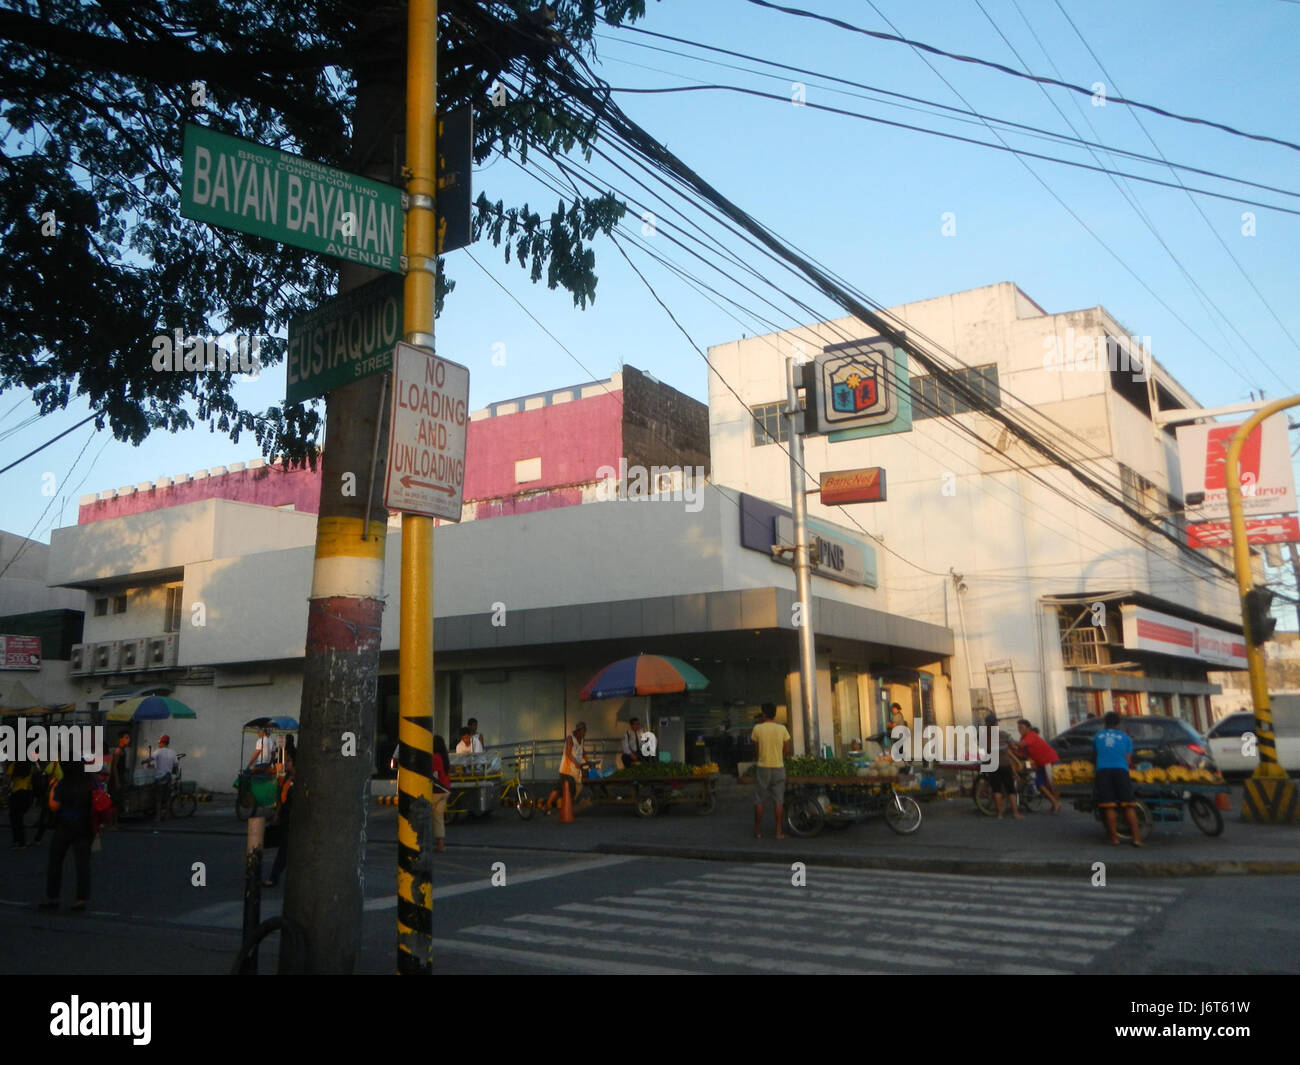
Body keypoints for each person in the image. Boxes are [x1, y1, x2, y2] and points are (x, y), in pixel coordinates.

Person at [41, 760, 95, 911]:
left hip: (65, 824)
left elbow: (54, 806)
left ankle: (53, 897)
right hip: (85, 825)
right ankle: (81, 899)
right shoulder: (89, 782)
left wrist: (52, 788)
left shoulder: (63, 784)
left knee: (55, 861)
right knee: (82, 864)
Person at [1094, 711, 1144, 847]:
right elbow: (1128, 760)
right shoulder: (1126, 738)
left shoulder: (1098, 736)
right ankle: (1137, 839)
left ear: (1105, 723)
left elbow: (1096, 753)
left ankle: (1114, 839)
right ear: (1118, 724)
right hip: (1121, 771)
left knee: (1109, 806)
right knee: (1128, 805)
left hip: (1103, 771)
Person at [751, 702, 791, 840]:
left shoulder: (757, 729)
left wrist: (760, 759)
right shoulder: (782, 729)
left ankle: (757, 832)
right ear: (774, 714)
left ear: (763, 714)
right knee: (778, 801)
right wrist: (780, 758)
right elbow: (787, 749)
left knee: (759, 801)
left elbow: (756, 751)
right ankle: (778, 832)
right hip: (779, 768)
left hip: (763, 768)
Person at [262, 747, 295, 887]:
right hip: (284, 817)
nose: (285, 763)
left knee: (285, 849)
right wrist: (276, 814)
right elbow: (281, 798)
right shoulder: (286, 777)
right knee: (286, 848)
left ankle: (274, 876)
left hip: (292, 819)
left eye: (288, 761)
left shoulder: (300, 779)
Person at [1014, 719, 1061, 814]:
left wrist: (1008, 741)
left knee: (1053, 785)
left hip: (1049, 760)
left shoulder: (1031, 735)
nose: (1019, 730)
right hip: (1040, 763)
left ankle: (1055, 804)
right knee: (1039, 784)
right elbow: (1021, 754)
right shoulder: (1023, 738)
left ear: (1028, 728)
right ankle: (1055, 803)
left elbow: (1021, 745)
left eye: (1021, 727)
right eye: (1018, 728)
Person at [983, 713, 1022, 820]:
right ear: (995, 724)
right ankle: (1015, 813)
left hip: (991, 764)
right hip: (1005, 764)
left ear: (986, 724)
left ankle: (999, 814)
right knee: (1010, 789)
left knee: (996, 789)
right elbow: (1013, 746)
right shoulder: (1004, 734)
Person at [544, 722, 589, 813]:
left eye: (585, 731)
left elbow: (582, 752)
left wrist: (587, 762)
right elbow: (568, 753)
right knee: (570, 790)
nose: (584, 733)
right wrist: (575, 761)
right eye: (583, 731)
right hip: (566, 771)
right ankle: (567, 809)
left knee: (559, 789)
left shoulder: (581, 740)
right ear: (578, 731)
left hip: (574, 771)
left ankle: (547, 806)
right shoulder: (570, 738)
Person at [5, 760, 37, 849]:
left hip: (16, 792)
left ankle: (18, 841)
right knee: (19, 818)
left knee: (14, 818)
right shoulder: (30, 765)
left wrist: (5, 790)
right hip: (26, 793)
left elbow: (7, 780)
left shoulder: (14, 764)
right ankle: (20, 841)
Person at [107, 730, 131, 828]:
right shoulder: (118, 751)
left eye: (128, 738)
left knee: (118, 801)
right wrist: (117, 781)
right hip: (116, 779)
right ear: (120, 739)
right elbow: (114, 767)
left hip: (120, 777)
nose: (128, 740)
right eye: (126, 737)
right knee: (115, 801)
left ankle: (115, 822)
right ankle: (113, 822)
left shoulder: (123, 750)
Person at [431, 734, 450, 853]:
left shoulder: (434, 757)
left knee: (423, 815)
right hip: (446, 789)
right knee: (438, 818)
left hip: (436, 790)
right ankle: (440, 845)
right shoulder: (444, 757)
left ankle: (419, 843)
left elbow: (432, 774)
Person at [151, 735, 177, 822]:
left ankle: (158, 817)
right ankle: (166, 815)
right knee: (167, 798)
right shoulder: (173, 752)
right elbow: (176, 765)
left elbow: (151, 758)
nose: (159, 744)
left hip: (159, 778)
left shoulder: (158, 751)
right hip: (168, 777)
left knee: (158, 799)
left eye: (159, 743)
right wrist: (173, 773)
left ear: (162, 743)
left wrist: (144, 761)